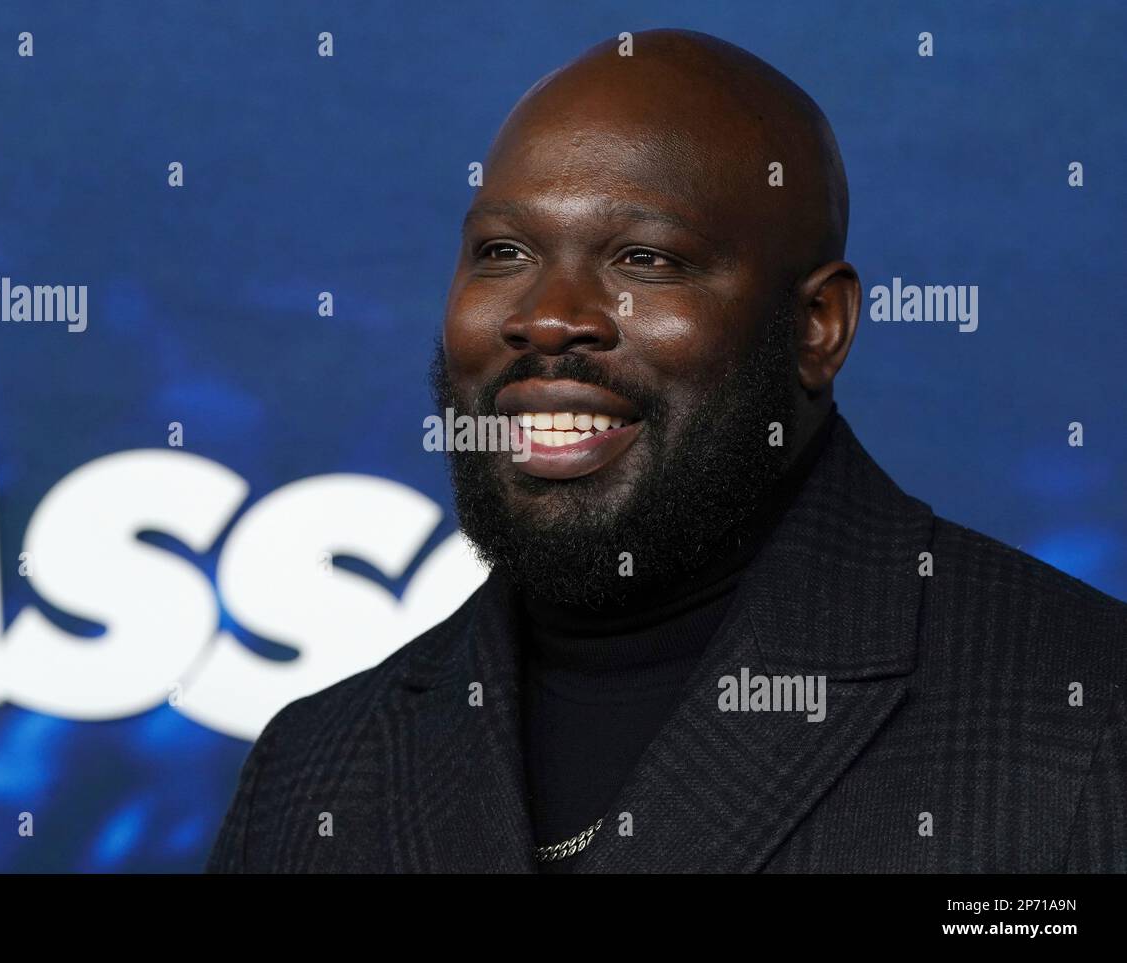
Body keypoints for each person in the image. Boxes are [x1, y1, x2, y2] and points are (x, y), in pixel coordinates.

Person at [207, 28, 1127, 873]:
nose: (547, 317)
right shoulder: (312, 772)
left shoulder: (1084, 714)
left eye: (645, 260)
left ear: (817, 326)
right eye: (502, 252)